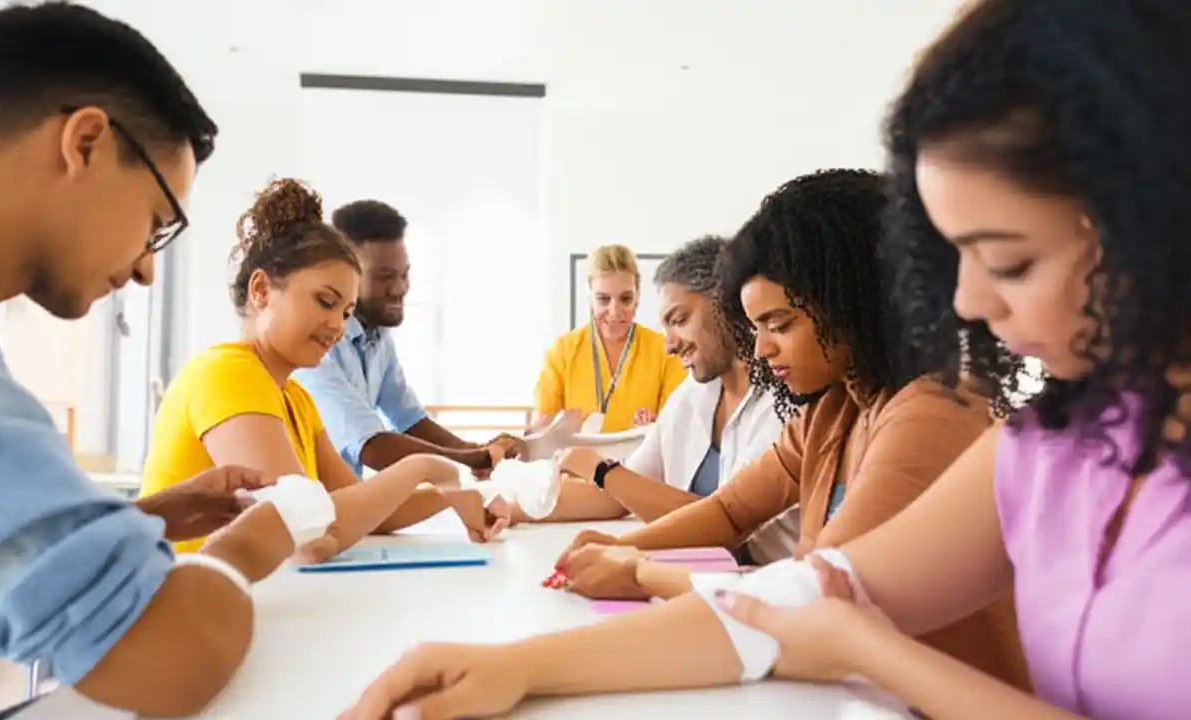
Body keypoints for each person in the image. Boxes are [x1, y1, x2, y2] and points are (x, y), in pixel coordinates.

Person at [345, 1, 1191, 718]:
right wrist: (520, 668)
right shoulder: (1049, 446)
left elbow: (834, 616)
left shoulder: (939, 414)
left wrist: (874, 652)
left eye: (1008, 261)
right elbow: (814, 593)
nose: (969, 301)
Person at [0, 6, 457, 719]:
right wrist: (243, 545)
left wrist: (142, 519)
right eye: (156, 222)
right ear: (84, 144)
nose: (144, 269)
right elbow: (167, 652)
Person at [555, 169, 1025, 686]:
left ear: (855, 304)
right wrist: (626, 546)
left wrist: (640, 572)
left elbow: (820, 596)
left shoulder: (932, 411)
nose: (761, 350)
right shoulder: (834, 411)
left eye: (780, 326)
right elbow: (731, 509)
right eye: (756, 328)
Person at [141, 179, 508, 555]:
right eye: (325, 301)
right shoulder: (227, 373)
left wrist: (459, 491)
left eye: (347, 311)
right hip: (186, 602)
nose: (337, 326)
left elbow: (366, 508)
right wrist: (429, 468)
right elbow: (310, 533)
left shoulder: (296, 398)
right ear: (262, 290)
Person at [513, 236, 783, 524]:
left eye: (679, 320)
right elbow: (618, 496)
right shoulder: (692, 395)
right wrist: (511, 509)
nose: (669, 346)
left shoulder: (780, 405)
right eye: (603, 298)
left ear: (727, 304)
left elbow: (728, 521)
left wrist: (603, 472)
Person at [294, 199, 519, 478]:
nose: (399, 288)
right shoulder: (319, 345)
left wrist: (473, 451)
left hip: (346, 499)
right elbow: (372, 445)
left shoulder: (377, 336)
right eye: (384, 276)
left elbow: (408, 417)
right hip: (310, 508)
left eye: (404, 274)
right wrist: (471, 458)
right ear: (345, 276)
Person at [534, 244, 688, 433]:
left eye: (625, 299)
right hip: (574, 461)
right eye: (603, 299)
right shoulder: (563, 352)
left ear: (637, 296)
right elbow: (542, 426)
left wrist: (654, 429)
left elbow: (677, 427)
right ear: (589, 296)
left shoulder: (665, 352)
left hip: (638, 462)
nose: (615, 312)